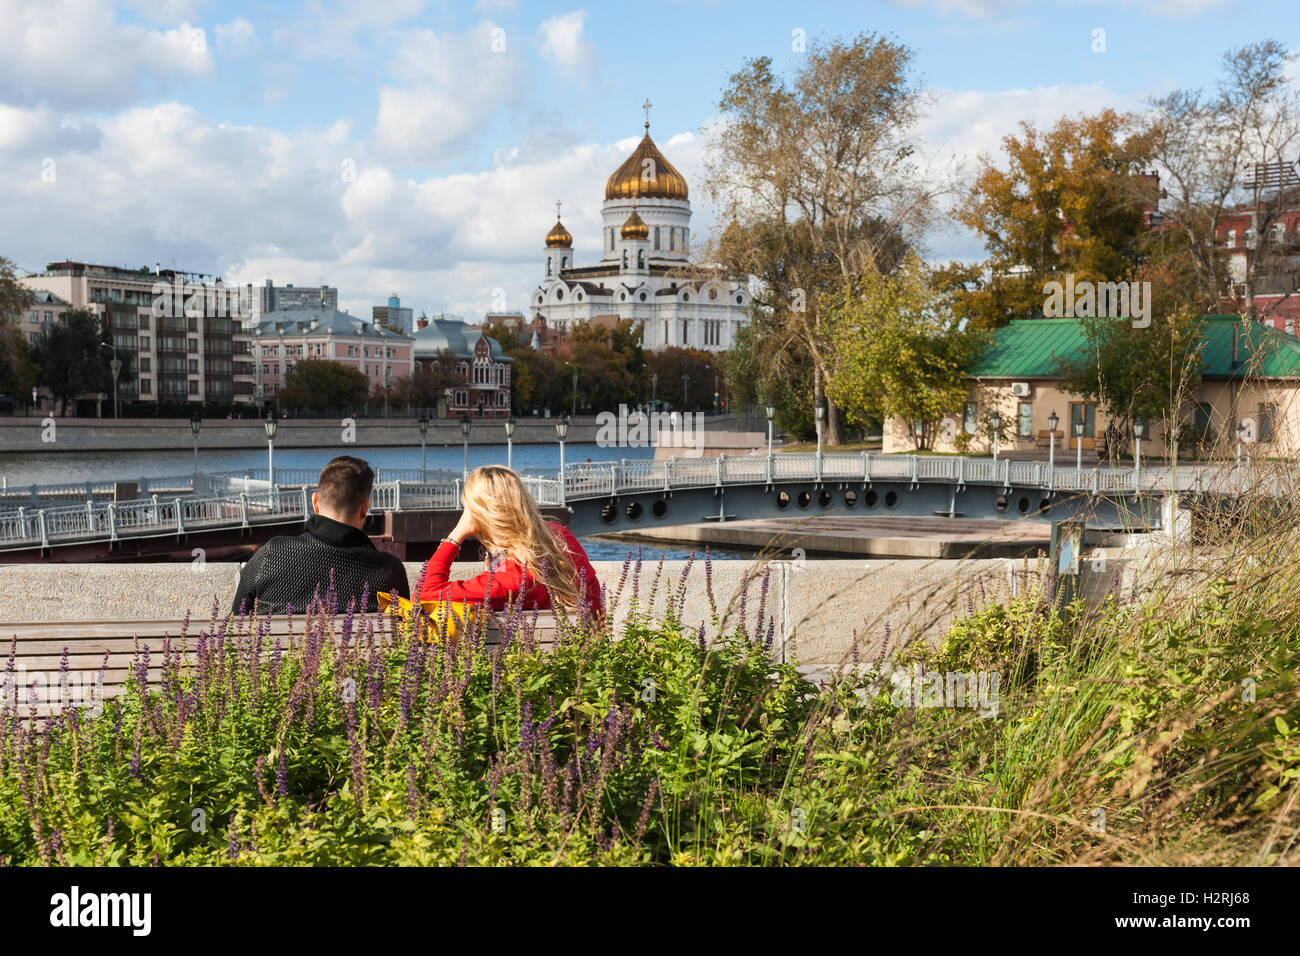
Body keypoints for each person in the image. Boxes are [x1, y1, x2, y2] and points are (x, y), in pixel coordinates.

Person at [419, 466, 602, 619]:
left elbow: (425, 595)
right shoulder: (561, 538)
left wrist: (456, 534)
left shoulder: (506, 582)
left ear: (480, 517)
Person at [232, 455, 409, 615]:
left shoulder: (272, 554)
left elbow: (236, 622)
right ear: (364, 509)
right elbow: (405, 634)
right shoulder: (391, 571)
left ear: (315, 502)